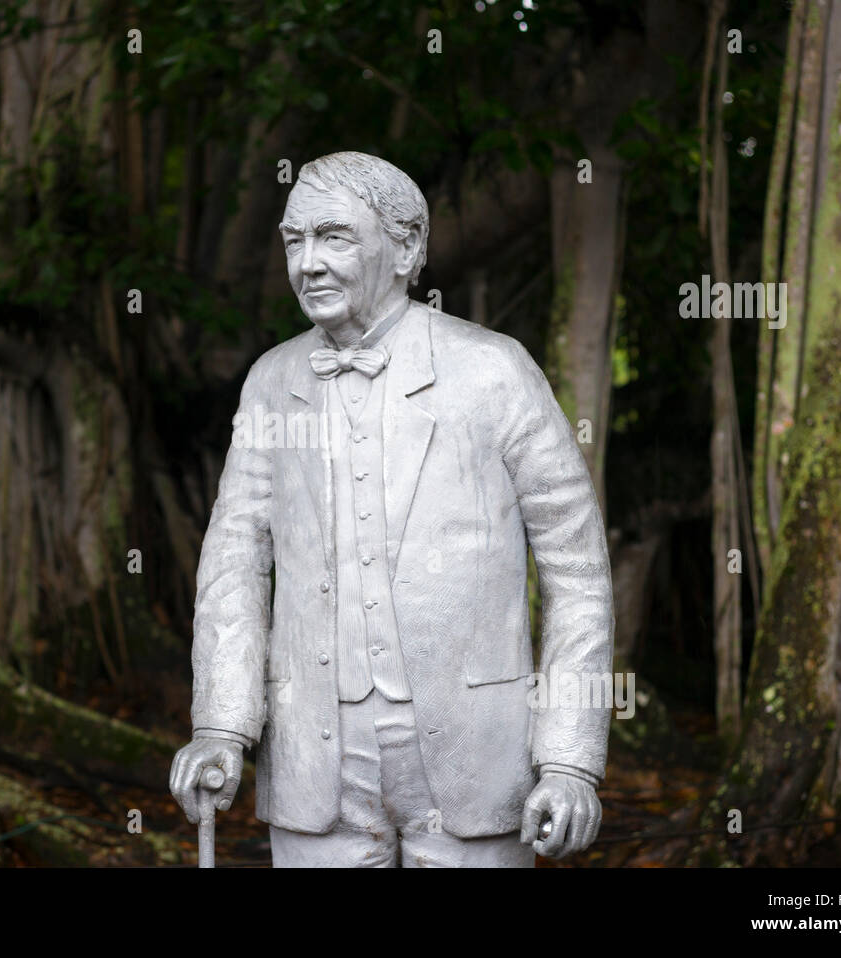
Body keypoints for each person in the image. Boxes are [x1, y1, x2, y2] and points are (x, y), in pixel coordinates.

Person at [170, 151, 614, 867]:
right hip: (315, 754)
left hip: (476, 751)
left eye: (334, 237)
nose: (307, 263)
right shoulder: (271, 381)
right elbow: (234, 561)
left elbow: (579, 573)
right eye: (293, 241)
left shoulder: (494, 372)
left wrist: (568, 761)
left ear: (407, 247)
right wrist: (221, 725)